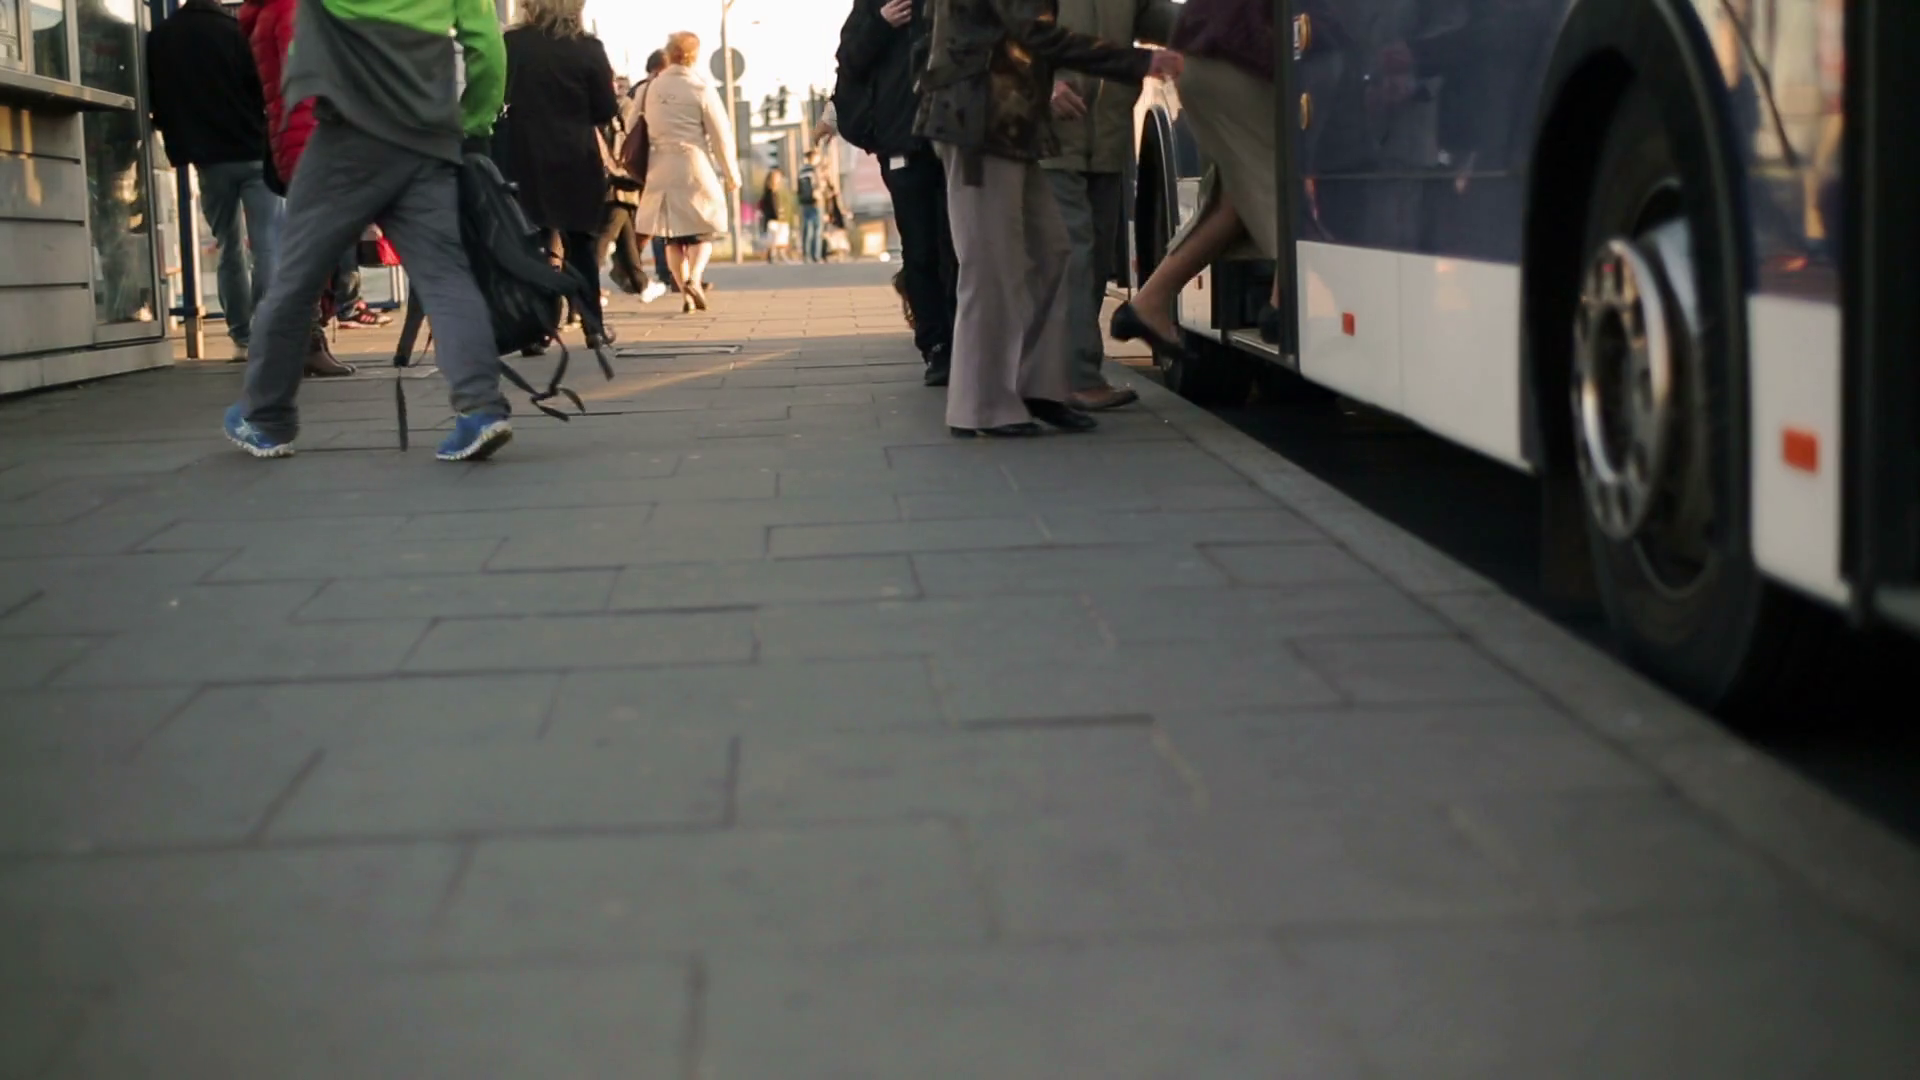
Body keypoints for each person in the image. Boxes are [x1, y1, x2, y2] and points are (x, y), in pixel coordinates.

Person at [221, 0, 515, 463]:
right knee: (444, 277)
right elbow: (487, 48)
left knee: (296, 278)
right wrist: (473, 120)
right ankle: (481, 409)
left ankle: (266, 418)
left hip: (345, 138)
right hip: (428, 136)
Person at [916, 0, 1180, 437]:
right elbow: (1033, 32)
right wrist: (1140, 60)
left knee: (1051, 251)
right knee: (992, 266)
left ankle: (1037, 387)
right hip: (978, 120)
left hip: (1013, 122)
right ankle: (982, 406)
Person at [1110, 0, 1280, 356]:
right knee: (1285, 177)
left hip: (1213, 53)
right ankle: (1283, 308)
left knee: (1240, 194)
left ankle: (1150, 303)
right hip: (1235, 57)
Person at [1044, 0, 1180, 411]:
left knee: (1097, 257)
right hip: (1050, 137)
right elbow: (1006, 30)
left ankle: (1061, 373)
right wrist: (1040, 81)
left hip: (1107, 138)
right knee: (1075, 255)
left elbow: (1159, 18)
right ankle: (1078, 378)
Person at [146, 0, 279, 362]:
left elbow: (159, 96)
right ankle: (268, 329)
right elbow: (262, 87)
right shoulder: (236, 32)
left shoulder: (162, 37)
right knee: (266, 244)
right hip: (253, 150)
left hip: (210, 158)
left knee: (229, 246)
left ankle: (242, 335)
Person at [834, 0, 957, 386]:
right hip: (903, 141)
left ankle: (966, 341)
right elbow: (849, 60)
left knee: (958, 247)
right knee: (921, 249)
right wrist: (880, 23)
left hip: (958, 138)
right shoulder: (877, 4)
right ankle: (937, 346)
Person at [235, 0, 357, 377]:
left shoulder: (271, 9)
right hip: (311, 138)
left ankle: (298, 341)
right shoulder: (290, 9)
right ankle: (302, 342)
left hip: (295, 136)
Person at [499, 0, 619, 346]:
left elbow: (496, 93)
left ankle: (538, 330)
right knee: (580, 243)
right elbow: (605, 108)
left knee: (534, 244)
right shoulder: (588, 48)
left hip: (523, 155)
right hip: (575, 156)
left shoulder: (512, 44)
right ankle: (593, 325)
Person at [635, 31, 742, 314]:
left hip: (659, 167)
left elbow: (632, 123)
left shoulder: (650, 88)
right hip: (694, 165)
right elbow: (721, 134)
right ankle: (695, 278)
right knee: (703, 228)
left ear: (669, 54)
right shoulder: (700, 88)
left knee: (673, 236)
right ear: (695, 56)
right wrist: (731, 172)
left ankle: (684, 290)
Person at [601, 50, 670, 303]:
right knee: (608, 231)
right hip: (620, 176)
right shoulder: (624, 104)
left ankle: (640, 283)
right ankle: (588, 290)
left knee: (625, 229)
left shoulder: (604, 103)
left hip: (614, 177)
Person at [795, 148, 827, 263]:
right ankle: (816, 256)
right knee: (817, 230)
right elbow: (821, 185)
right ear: (814, 158)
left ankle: (806, 255)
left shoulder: (802, 171)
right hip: (816, 202)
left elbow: (798, 188)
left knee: (807, 230)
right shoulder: (815, 170)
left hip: (805, 202)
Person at [758, 167, 795, 262]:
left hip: (779, 219)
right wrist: (777, 214)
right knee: (774, 238)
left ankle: (778, 254)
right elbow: (770, 206)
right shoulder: (769, 193)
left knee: (779, 238)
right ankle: (773, 255)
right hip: (773, 219)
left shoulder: (778, 192)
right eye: (777, 177)